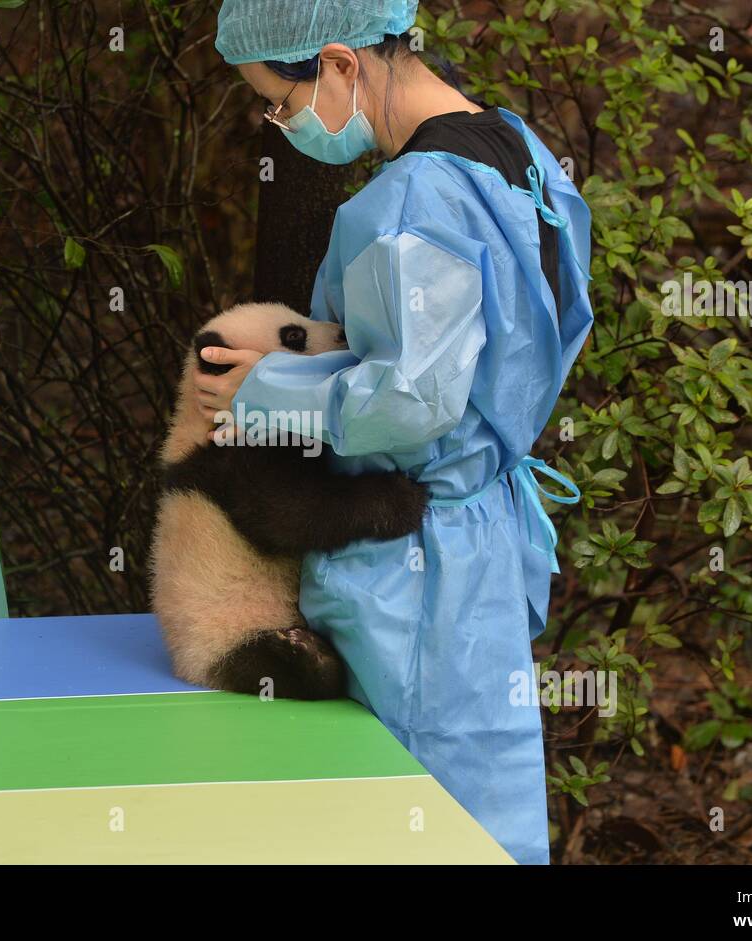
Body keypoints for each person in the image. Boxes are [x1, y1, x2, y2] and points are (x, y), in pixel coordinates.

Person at [200, 0, 594, 865]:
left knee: (418, 819)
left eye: (277, 102)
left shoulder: (408, 204)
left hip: (418, 560)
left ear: (339, 64)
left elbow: (413, 402)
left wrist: (264, 390)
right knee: (489, 808)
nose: (280, 124)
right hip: (481, 536)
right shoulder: (519, 153)